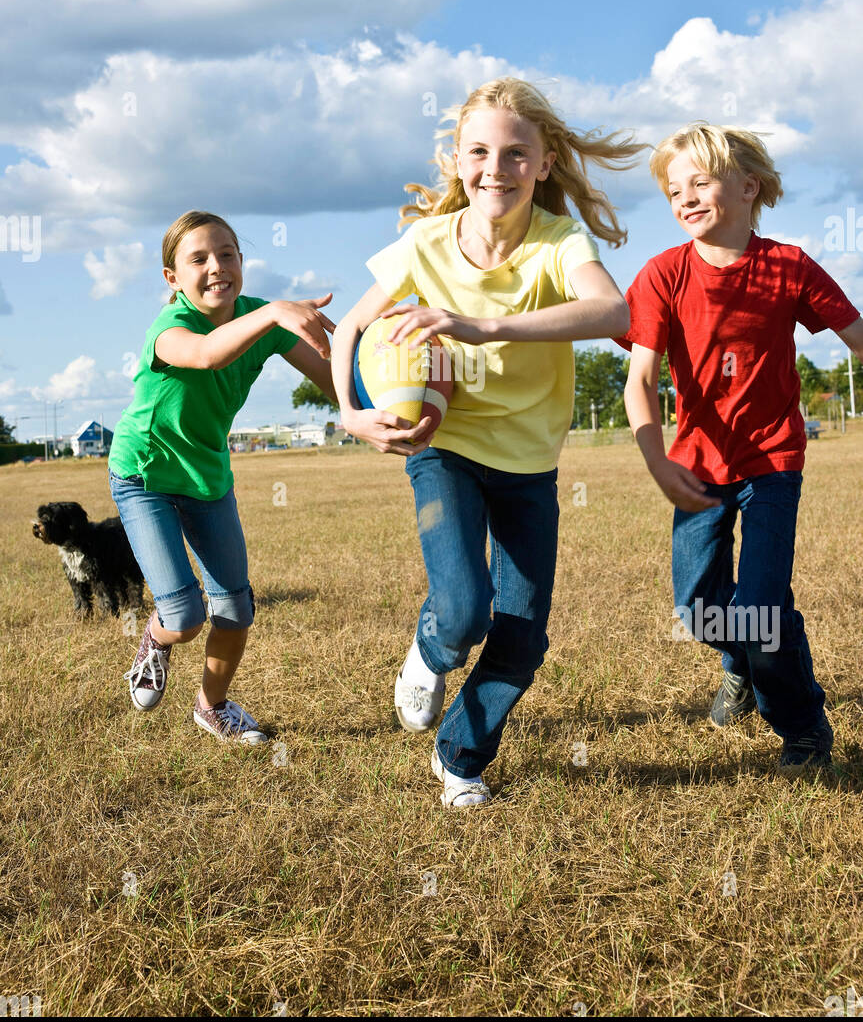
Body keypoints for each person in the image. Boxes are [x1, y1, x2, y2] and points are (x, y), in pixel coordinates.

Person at [332, 77, 641, 806]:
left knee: (523, 636)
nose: (493, 169)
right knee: (464, 610)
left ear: (543, 161)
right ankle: (431, 651)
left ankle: (460, 758)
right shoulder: (426, 241)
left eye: (513, 154)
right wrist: (350, 411)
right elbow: (348, 328)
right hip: (446, 447)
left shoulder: (559, 242)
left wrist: (481, 325)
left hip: (529, 461)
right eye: (478, 152)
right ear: (457, 162)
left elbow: (609, 310)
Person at [622, 123, 863, 775]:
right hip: (694, 465)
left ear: (747, 186)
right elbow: (638, 380)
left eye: (699, 182)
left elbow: (855, 335)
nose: (685, 197)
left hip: (772, 460)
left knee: (758, 603)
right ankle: (741, 666)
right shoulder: (661, 275)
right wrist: (656, 460)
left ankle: (804, 729)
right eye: (675, 189)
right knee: (699, 613)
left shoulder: (788, 266)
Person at [108, 210, 337, 745]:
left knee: (235, 608)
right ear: (173, 278)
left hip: (208, 477)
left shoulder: (262, 319)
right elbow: (208, 355)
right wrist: (277, 312)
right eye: (199, 259)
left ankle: (211, 707)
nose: (217, 267)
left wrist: (385, 406)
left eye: (228, 254)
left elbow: (333, 378)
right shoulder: (171, 329)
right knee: (185, 616)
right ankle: (155, 640)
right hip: (145, 476)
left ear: (242, 261)